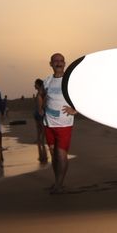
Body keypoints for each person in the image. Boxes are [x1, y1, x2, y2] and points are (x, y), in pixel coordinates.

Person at [39, 53, 77, 193]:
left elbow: (81, 95)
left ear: (65, 63)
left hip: (64, 124)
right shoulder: (47, 80)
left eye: (61, 61)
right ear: (51, 64)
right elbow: (40, 95)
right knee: (53, 155)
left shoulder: (69, 80)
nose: (58, 63)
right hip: (48, 123)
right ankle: (57, 181)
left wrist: (75, 110)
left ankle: (59, 185)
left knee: (61, 154)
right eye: (56, 61)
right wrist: (40, 108)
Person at [33, 78, 48, 163]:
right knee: (38, 127)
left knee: (42, 127)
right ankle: (39, 140)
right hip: (37, 112)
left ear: (38, 84)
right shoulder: (39, 92)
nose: (34, 85)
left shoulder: (43, 92)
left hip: (41, 112)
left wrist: (42, 110)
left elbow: (44, 102)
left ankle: (42, 140)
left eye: (35, 84)